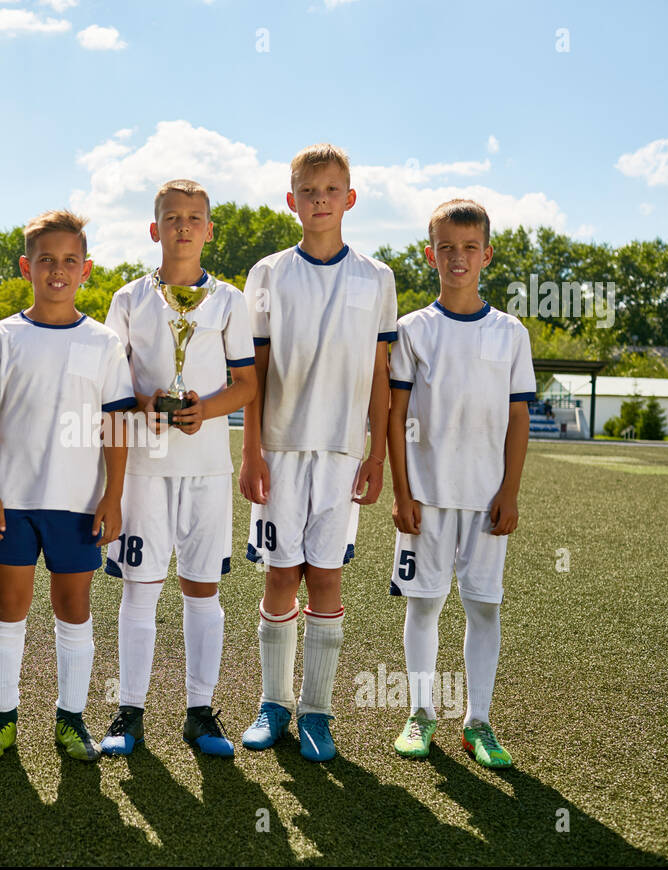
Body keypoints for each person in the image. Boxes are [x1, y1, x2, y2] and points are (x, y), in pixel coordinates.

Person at [238, 143, 396, 762]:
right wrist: (252, 451)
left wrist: (377, 452)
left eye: (332, 190)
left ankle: (316, 713)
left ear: (350, 198)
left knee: (326, 576)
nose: (321, 200)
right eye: (309, 191)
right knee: (280, 573)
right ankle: (273, 704)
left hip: (341, 453)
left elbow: (382, 373)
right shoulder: (269, 272)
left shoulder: (376, 277)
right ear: (292, 201)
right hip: (279, 447)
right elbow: (256, 367)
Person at [0, 210, 136, 763]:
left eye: (69, 261)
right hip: (12, 501)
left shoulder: (104, 341)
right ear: (26, 267)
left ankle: (71, 721)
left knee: (74, 608)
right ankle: (1, 721)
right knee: (9, 607)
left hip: (79, 502)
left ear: (85, 269)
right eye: (46, 261)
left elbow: (116, 422)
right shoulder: (0, 337)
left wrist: (112, 496)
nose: (57, 271)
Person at [99, 179, 256, 758]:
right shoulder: (129, 299)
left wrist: (203, 410)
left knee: (202, 590)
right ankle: (128, 714)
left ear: (210, 230)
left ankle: (199, 712)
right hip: (143, 467)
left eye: (194, 218)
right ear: (154, 227)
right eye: (172, 217)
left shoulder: (230, 301)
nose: (183, 226)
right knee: (140, 591)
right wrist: (144, 403)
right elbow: (113, 383)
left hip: (208, 469)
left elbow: (248, 383)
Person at [387, 198, 533, 769]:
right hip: (426, 497)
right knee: (423, 606)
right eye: (447, 247)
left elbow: (518, 418)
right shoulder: (412, 330)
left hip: (485, 499)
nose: (458, 258)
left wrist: (510, 492)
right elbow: (396, 416)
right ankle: (420, 713)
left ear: (487, 255)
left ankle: (478, 722)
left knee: (485, 609)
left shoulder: (510, 332)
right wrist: (402, 492)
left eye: (470, 248)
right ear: (431, 254)